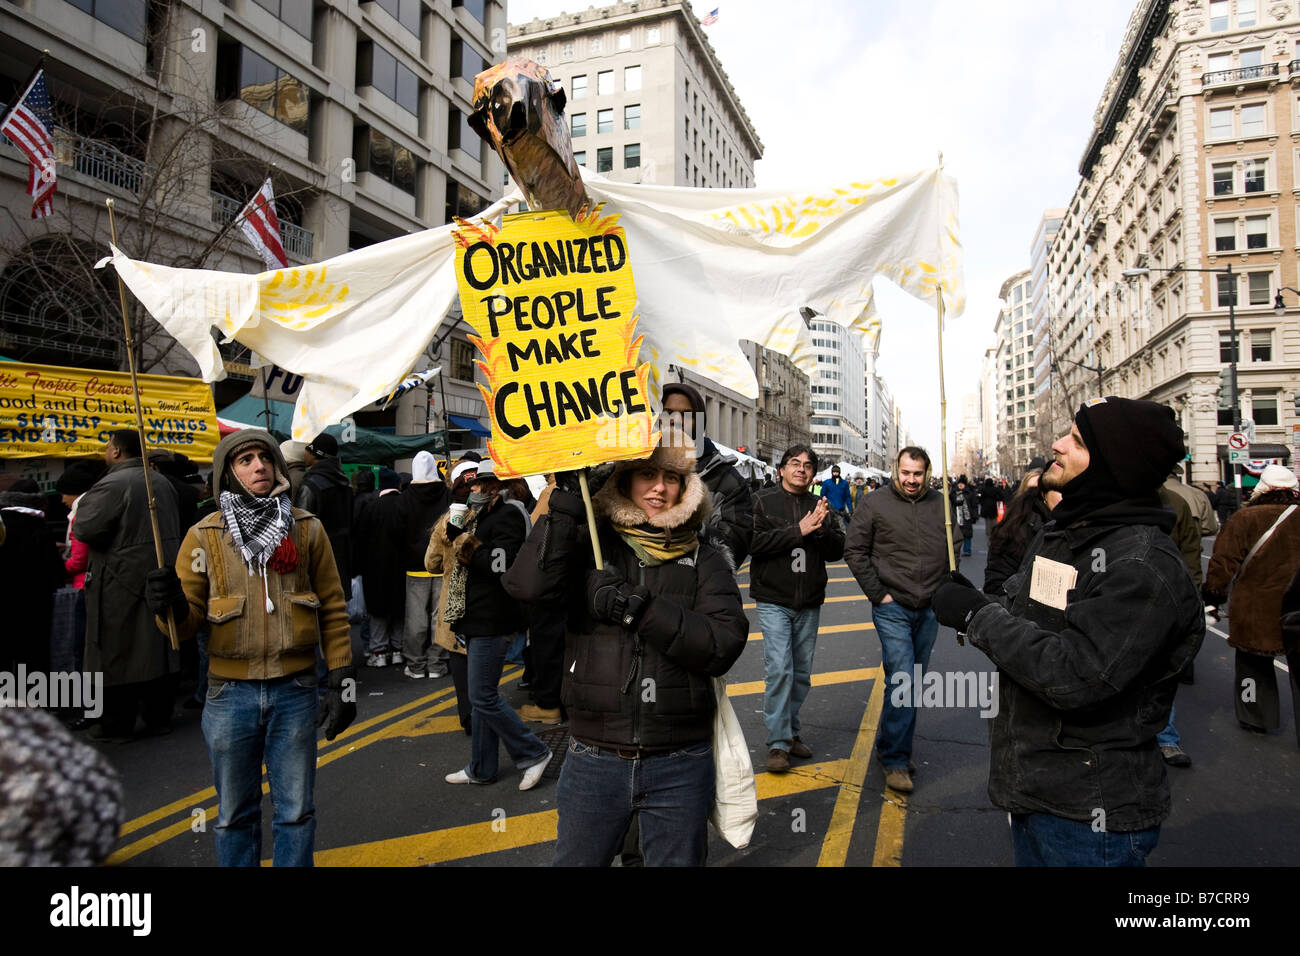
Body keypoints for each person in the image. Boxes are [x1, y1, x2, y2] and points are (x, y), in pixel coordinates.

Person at [932, 398, 1203, 867]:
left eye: (1076, 441)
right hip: (1038, 790)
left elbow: (1077, 673)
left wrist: (978, 618)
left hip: (1089, 811)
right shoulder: (1066, 535)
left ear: (1112, 465)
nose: (1056, 446)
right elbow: (1031, 617)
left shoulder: (1141, 565)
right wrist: (977, 603)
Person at [502, 441, 748, 866]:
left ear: (687, 487)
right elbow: (527, 588)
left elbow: (721, 644)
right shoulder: (589, 546)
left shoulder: (704, 557)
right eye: (647, 475)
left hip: (680, 761)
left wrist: (638, 608)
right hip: (593, 757)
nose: (659, 488)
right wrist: (566, 507)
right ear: (624, 481)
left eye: (671, 478)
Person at [145, 428, 356, 866]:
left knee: (296, 812)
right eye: (245, 460)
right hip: (228, 696)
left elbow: (334, 607)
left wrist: (341, 680)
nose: (259, 466)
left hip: (295, 693)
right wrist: (167, 605)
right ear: (228, 473)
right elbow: (183, 628)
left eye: (264, 457)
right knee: (234, 816)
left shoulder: (306, 529)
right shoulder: (204, 536)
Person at [845, 446, 961, 794]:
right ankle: (895, 758)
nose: (911, 480)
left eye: (918, 473)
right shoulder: (874, 503)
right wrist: (879, 594)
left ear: (927, 473)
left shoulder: (941, 504)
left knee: (914, 680)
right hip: (892, 605)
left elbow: (955, 544)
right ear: (896, 470)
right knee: (903, 680)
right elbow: (855, 549)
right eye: (906, 473)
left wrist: (945, 589)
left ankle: (893, 744)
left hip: (929, 607)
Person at [435, 461, 551, 788]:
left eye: (477, 485)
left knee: (483, 696)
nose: (471, 491)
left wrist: (465, 545)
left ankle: (535, 752)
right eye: (470, 486)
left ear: (493, 486)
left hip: (495, 617)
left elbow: (501, 564)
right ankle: (482, 768)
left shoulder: (509, 515)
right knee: (480, 697)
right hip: (478, 616)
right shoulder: (483, 516)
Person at [74, 430, 181, 742]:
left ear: (118, 451)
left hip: (120, 582)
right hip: (159, 575)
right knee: (159, 648)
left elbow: (85, 528)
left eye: (108, 446)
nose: (106, 451)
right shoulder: (160, 481)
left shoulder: (113, 483)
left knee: (117, 653)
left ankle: (115, 723)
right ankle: (158, 716)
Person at [750, 444, 845, 773]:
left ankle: (790, 732)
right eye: (794, 463)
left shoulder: (820, 504)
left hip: (809, 600)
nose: (801, 469)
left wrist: (819, 530)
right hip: (774, 599)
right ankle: (778, 744)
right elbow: (754, 544)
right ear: (781, 470)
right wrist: (798, 530)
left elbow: (837, 550)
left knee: (801, 674)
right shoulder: (762, 501)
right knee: (780, 669)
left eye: (808, 465)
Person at [1203, 464, 1300, 742]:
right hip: (1297, 603)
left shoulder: (1245, 518)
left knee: (1252, 665)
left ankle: (1256, 717)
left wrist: (1213, 596)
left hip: (1256, 604)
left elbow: (1223, 562)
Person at [660, 382, 754, 567]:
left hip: (699, 587)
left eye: (687, 414)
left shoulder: (727, 480)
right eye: (668, 412)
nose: (676, 420)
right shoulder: (634, 470)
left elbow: (735, 546)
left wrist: (695, 528)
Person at [0, 478, 65, 675]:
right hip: (35, 605)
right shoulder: (40, 529)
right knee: (32, 658)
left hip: (3, 603)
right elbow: (55, 573)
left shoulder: (2, 525)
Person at [398, 451, 451, 679]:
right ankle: (436, 663)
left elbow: (397, 531)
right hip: (440, 564)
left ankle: (416, 665)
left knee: (415, 620)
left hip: (414, 565)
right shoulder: (447, 495)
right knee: (440, 618)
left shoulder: (405, 497)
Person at [355, 468, 406, 668]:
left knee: (377, 611)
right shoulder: (404, 506)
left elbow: (360, 539)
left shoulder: (371, 507)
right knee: (398, 609)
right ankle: (398, 649)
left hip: (374, 568)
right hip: (401, 567)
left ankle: (379, 651)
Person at [294, 432, 353, 600]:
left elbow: (301, 531)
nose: (304, 453)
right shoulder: (345, 483)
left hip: (317, 564)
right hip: (341, 562)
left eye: (308, 449)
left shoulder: (310, 485)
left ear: (315, 453)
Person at [982, 469, 1053, 598]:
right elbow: (997, 581)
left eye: (1041, 490)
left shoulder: (1055, 525)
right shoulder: (1011, 527)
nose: (1035, 496)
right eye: (1032, 490)